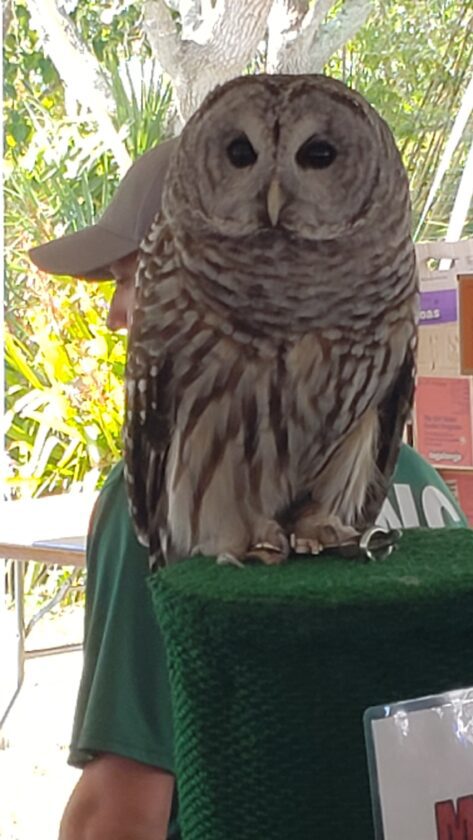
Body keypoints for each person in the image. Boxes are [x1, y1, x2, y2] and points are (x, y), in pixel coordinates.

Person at [29, 141, 469, 840]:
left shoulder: (169, 493)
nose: (116, 314)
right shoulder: (408, 473)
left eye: (129, 279)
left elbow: (119, 810)